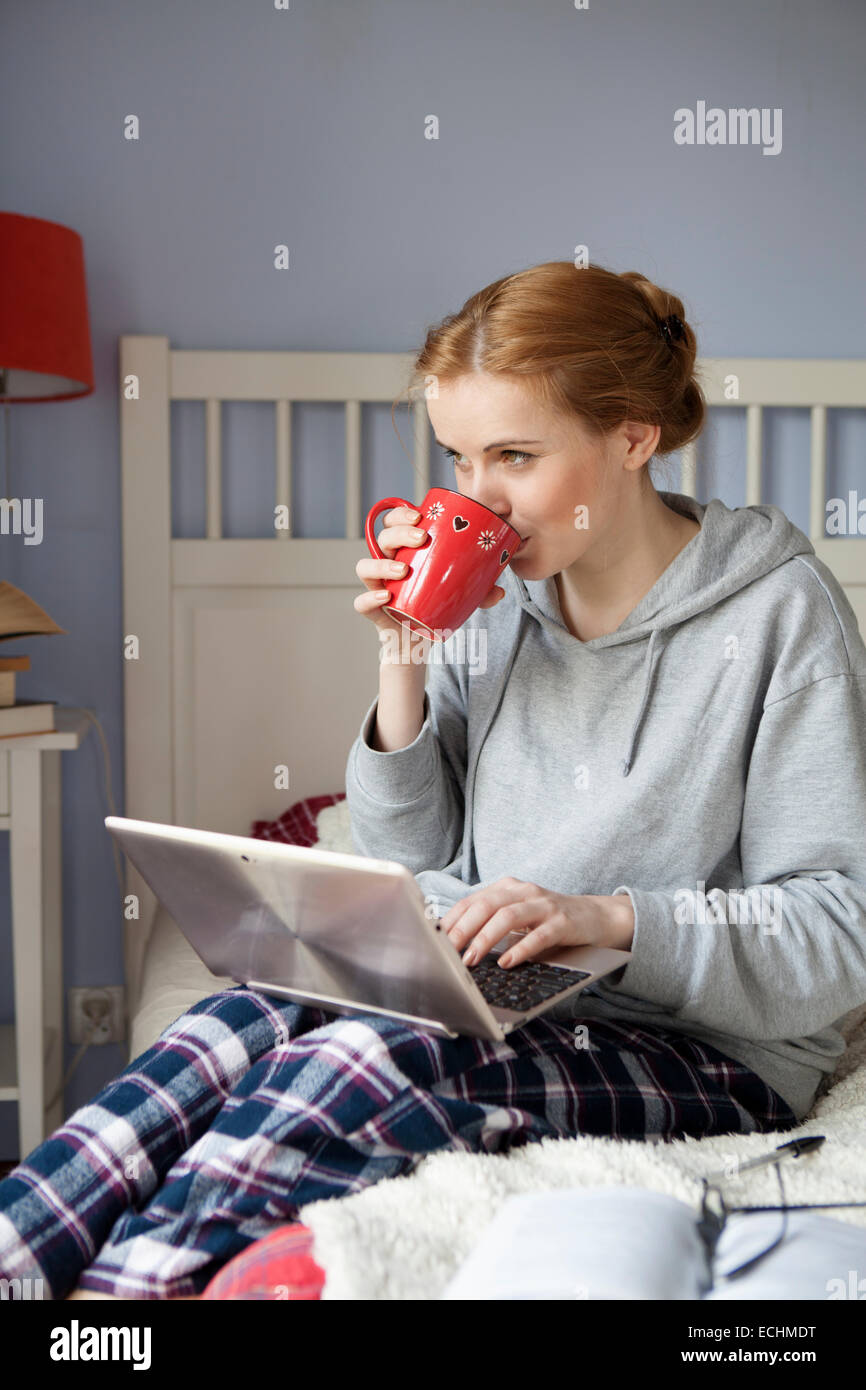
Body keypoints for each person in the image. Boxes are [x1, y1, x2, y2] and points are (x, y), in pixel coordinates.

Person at [2, 261, 865, 1302]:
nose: (474, 497)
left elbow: (836, 933)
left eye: (513, 454)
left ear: (633, 436)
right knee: (229, 1025)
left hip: (701, 1048)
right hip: (482, 989)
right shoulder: (494, 604)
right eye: (456, 456)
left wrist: (604, 918)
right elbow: (405, 860)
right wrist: (402, 657)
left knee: (360, 1060)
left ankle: (122, 1306)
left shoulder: (780, 618)